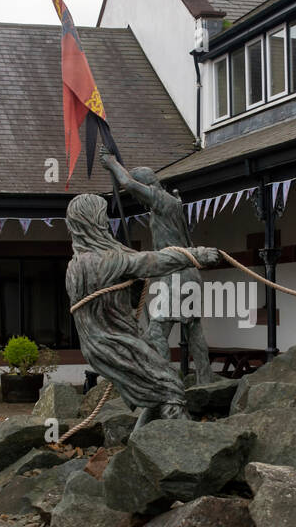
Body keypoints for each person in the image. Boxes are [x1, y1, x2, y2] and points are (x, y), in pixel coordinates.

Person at [64, 193, 221, 428]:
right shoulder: (105, 260)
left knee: (155, 388)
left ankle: (139, 439)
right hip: (116, 343)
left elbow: (112, 296)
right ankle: (184, 442)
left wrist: (134, 288)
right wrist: (194, 255)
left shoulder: (75, 266)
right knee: (170, 387)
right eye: (103, 218)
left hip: (99, 345)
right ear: (94, 222)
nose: (107, 223)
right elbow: (151, 261)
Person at [99, 146, 216, 384]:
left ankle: (165, 382)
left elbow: (129, 184)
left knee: (156, 332)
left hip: (177, 274)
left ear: (149, 186)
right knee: (193, 329)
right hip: (186, 272)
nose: (138, 199)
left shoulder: (161, 200)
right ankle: (205, 379)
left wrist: (111, 163)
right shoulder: (168, 203)